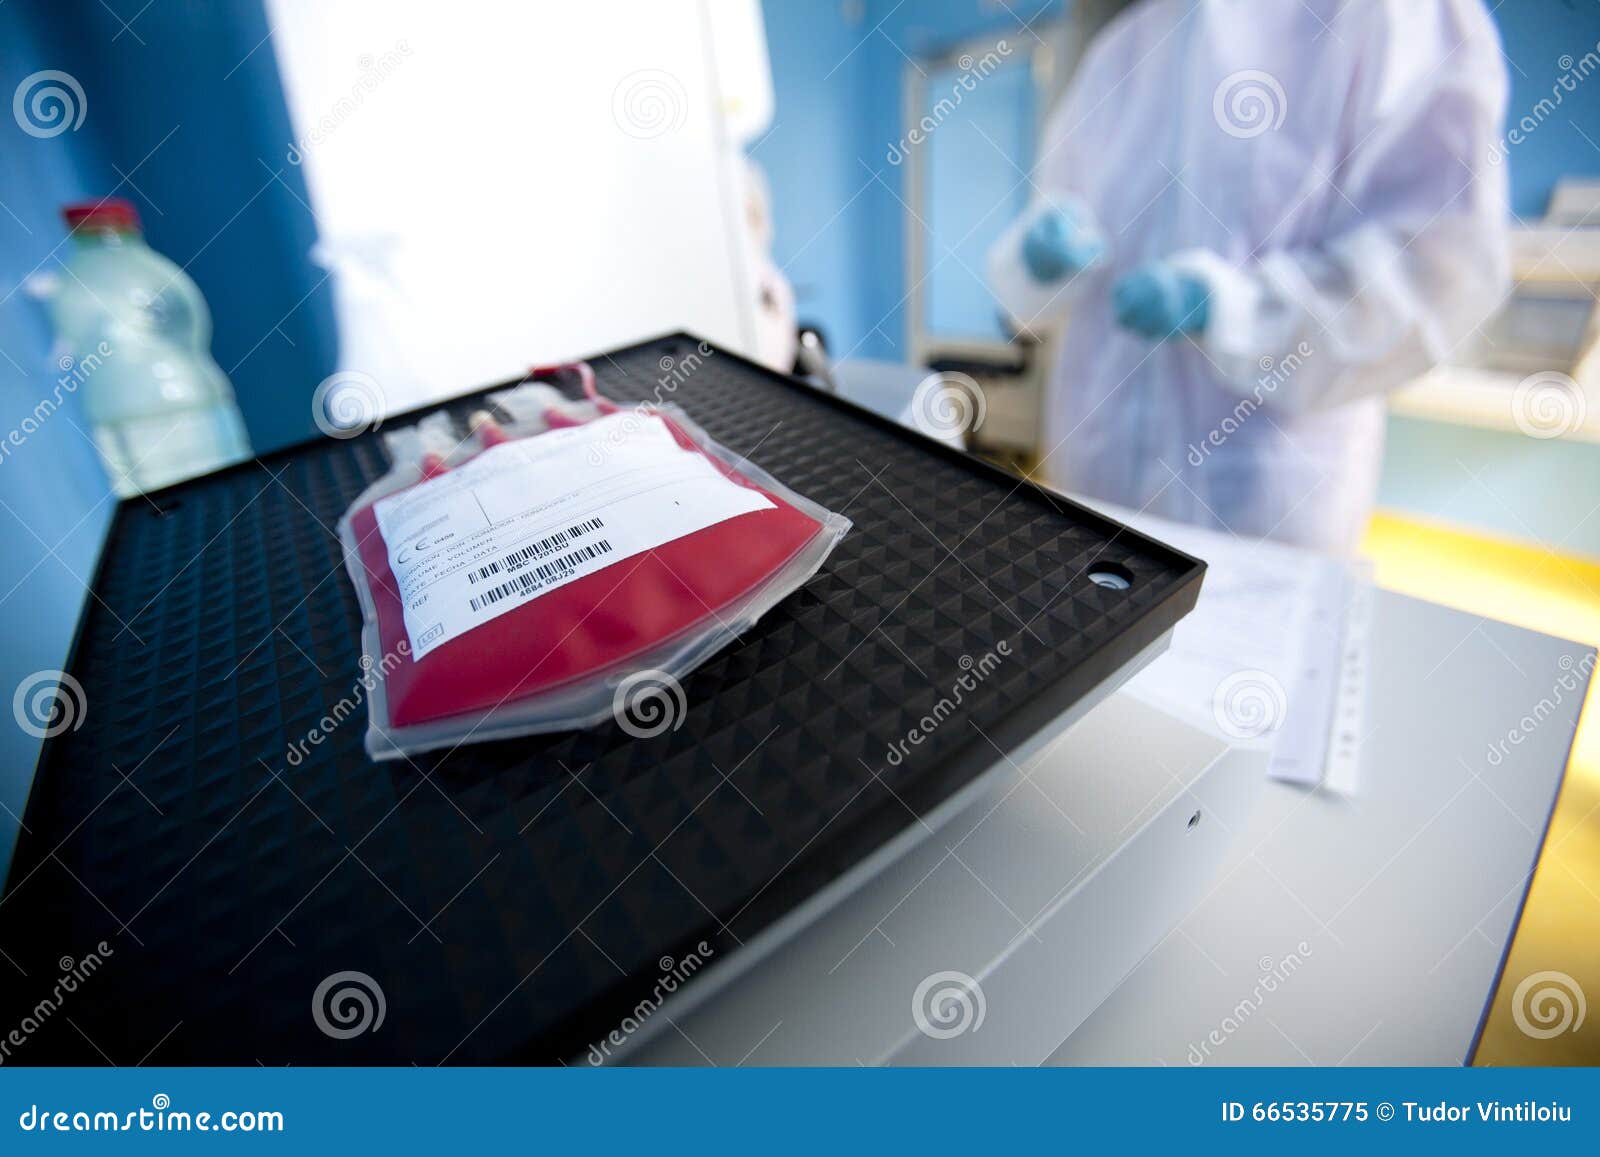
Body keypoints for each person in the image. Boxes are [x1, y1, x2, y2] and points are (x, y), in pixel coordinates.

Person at [987, 0, 1510, 553]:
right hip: (1089, 486)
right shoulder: (1123, 47)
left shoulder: (1393, 15)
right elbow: (1043, 258)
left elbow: (1439, 264)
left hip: (1261, 512)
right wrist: (1037, 261)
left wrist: (1232, 310)